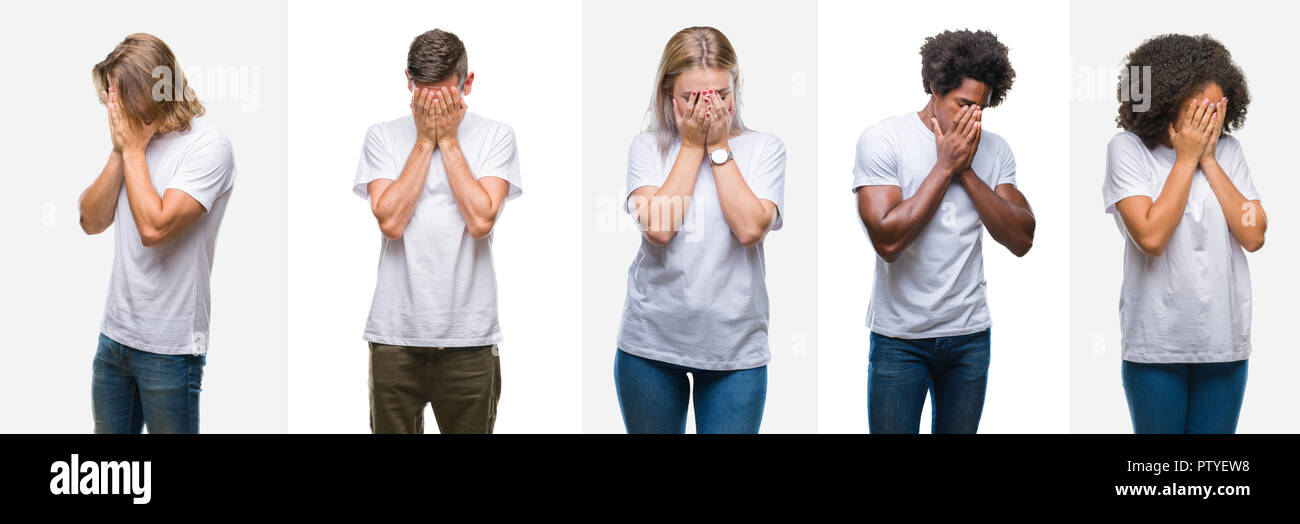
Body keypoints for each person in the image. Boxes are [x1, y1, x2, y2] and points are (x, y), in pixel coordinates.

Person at [853, 29, 1035, 434]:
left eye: (983, 108)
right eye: (964, 104)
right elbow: (888, 241)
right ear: (934, 87)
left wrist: (965, 170)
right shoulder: (884, 140)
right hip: (900, 339)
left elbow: (1022, 238)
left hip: (969, 336)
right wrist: (944, 166)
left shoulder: (995, 149)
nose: (974, 117)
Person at [615, 26, 786, 434]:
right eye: (693, 98)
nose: (709, 108)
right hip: (650, 345)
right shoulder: (647, 148)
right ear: (668, 96)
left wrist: (718, 147)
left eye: (721, 95)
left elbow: (749, 228)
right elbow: (658, 227)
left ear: (735, 87)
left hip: (736, 351)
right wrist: (692, 146)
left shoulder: (765, 148)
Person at [354, 29, 522, 434]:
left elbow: (481, 220)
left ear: (468, 85)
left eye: (445, 96)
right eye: (424, 95)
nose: (434, 107)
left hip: (469, 339)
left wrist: (446, 139)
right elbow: (390, 222)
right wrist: (423, 142)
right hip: (395, 337)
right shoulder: (382, 136)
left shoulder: (496, 135)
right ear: (409, 84)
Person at [1102, 34, 1265, 434]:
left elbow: (1254, 234)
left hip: (1223, 343)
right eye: (1199, 110)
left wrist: (1208, 160)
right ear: (1166, 103)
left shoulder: (1228, 151)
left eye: (1218, 109)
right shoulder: (1127, 150)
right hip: (1155, 347)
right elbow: (1152, 236)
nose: (1211, 120)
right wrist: (1186, 158)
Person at [79, 33, 237, 434]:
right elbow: (90, 221)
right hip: (114, 340)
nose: (110, 107)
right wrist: (121, 150)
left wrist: (131, 150)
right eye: (109, 96)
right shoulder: (133, 144)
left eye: (118, 96)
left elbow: (155, 227)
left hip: (171, 350)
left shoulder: (209, 147)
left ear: (151, 91)